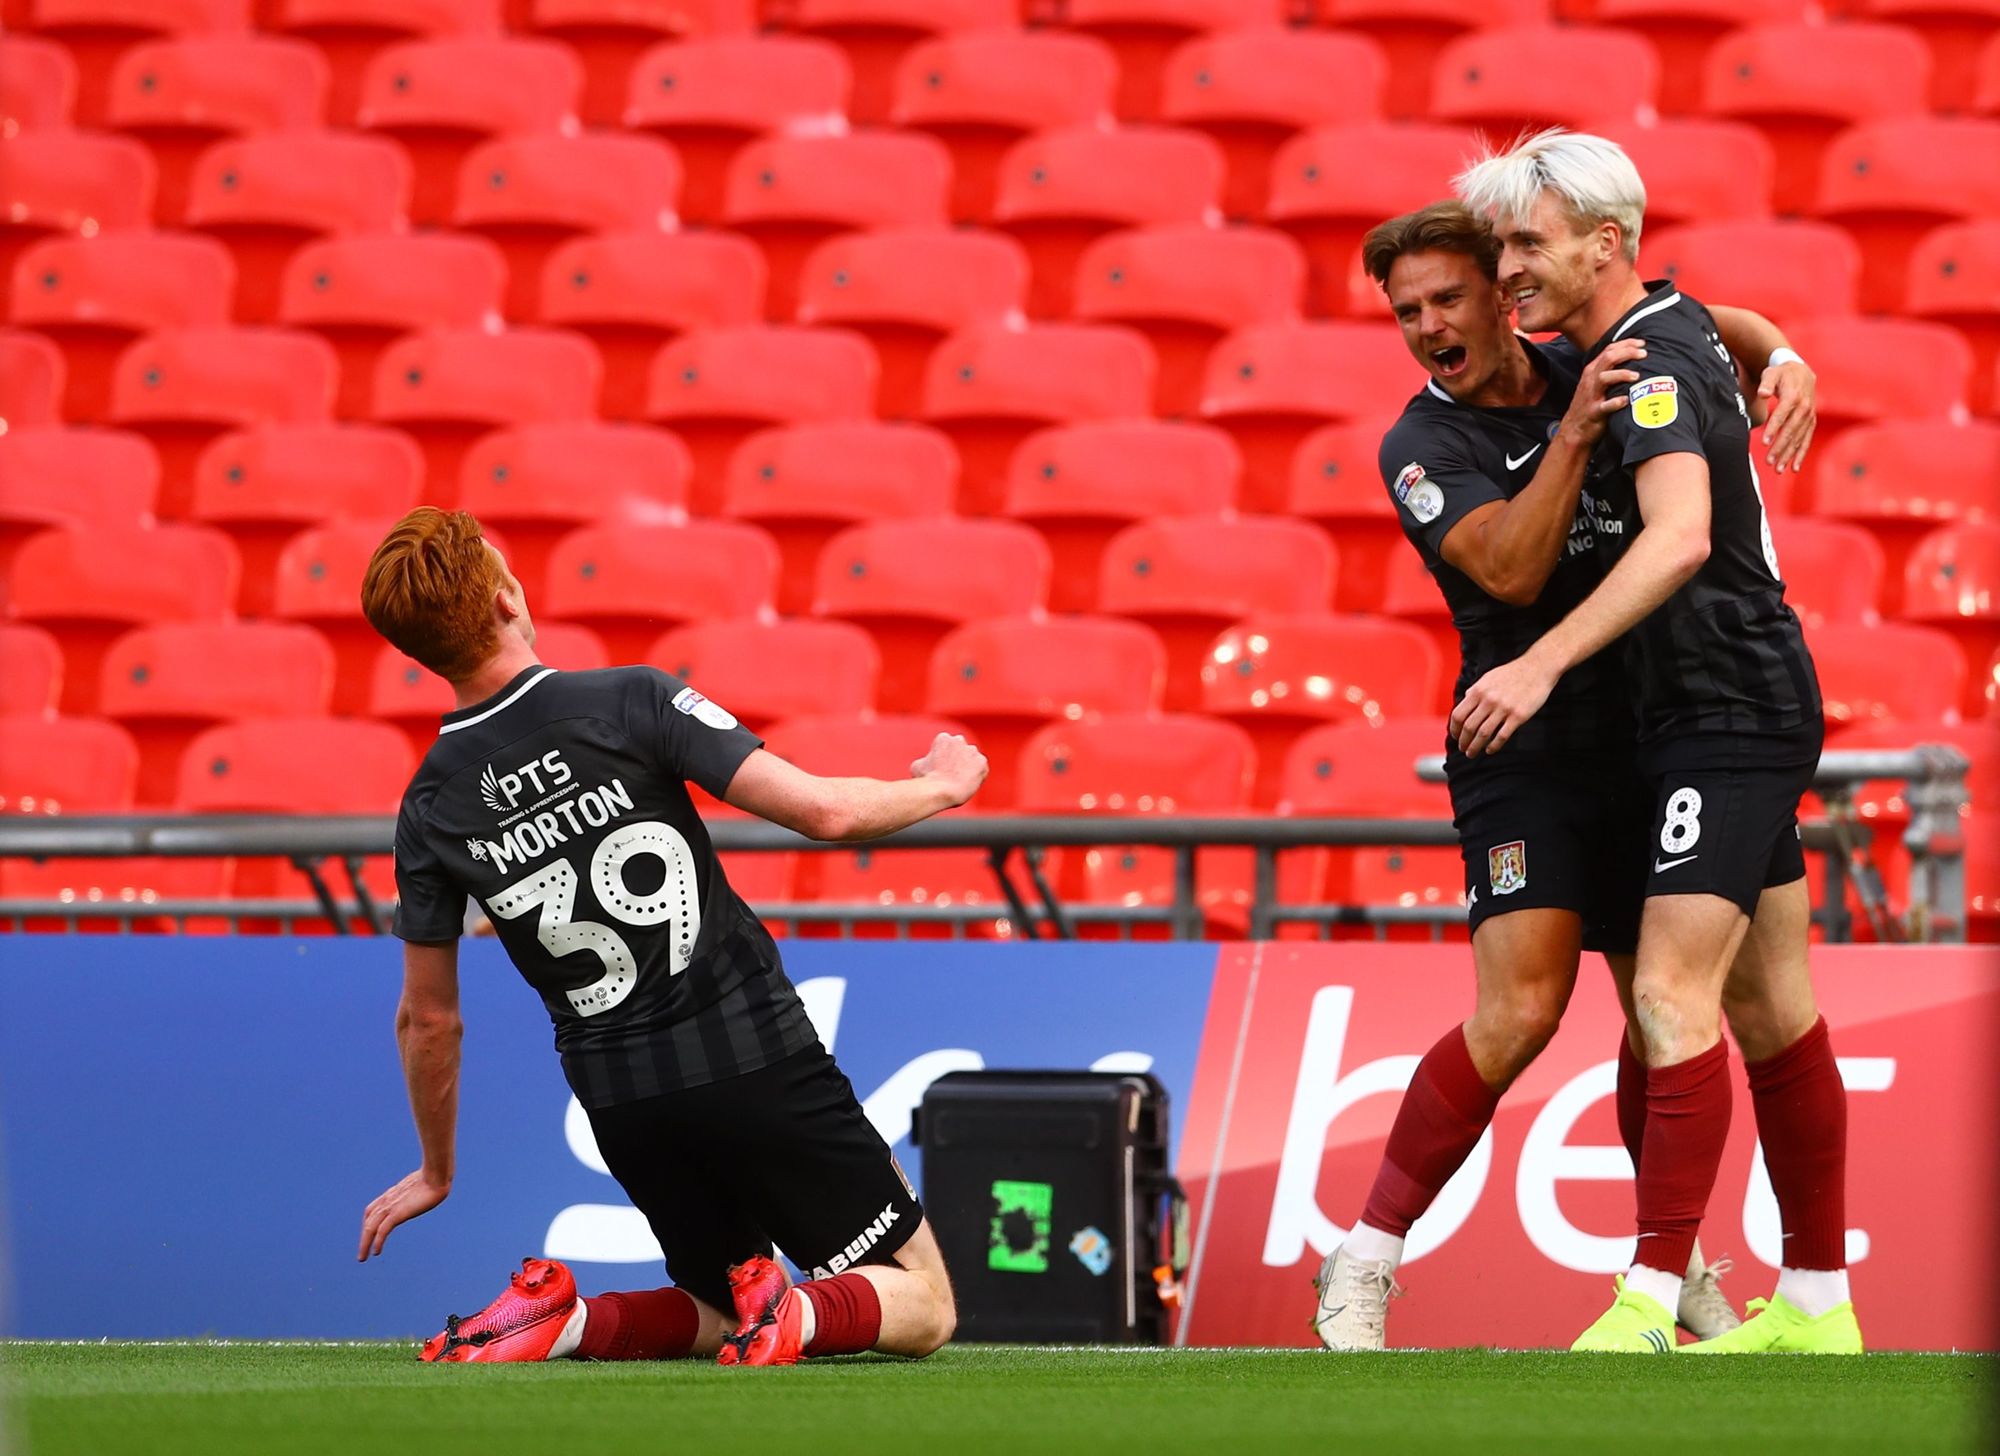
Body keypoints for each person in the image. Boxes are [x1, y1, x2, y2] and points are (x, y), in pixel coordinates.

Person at [1311, 201, 1816, 1351]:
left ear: (1502, 292)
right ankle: (1365, 1253)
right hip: (1520, 744)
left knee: (1660, 1010)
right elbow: (1508, 568)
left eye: (1446, 298)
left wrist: (1781, 352)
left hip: (1649, 730)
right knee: (1521, 1008)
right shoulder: (1420, 446)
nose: (1427, 327)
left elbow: (1701, 322)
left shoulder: (1589, 350)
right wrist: (1576, 435)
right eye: (1405, 312)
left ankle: (1672, 1265)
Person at [355, 506, 985, 1366]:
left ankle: (565, 1322)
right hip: (753, 1052)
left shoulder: (428, 804)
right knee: (925, 1301)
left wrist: (437, 1170)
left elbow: (427, 1019)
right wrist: (942, 787)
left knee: (722, 1309)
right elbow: (824, 812)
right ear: (505, 599)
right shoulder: (630, 701)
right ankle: (797, 1313)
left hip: (622, 1100)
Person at [1452, 130, 1858, 1354]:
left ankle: (1642, 1301)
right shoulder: (1647, 333)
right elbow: (1713, 321)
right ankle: (1816, 1304)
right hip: (1712, 708)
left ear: (1602, 242)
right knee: (1772, 1008)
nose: (1505, 269)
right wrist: (1781, 346)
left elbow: (1678, 535)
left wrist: (1538, 660)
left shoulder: (1650, 366)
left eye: (1526, 243)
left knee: (1666, 994)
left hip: (1725, 709)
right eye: (1500, 246)